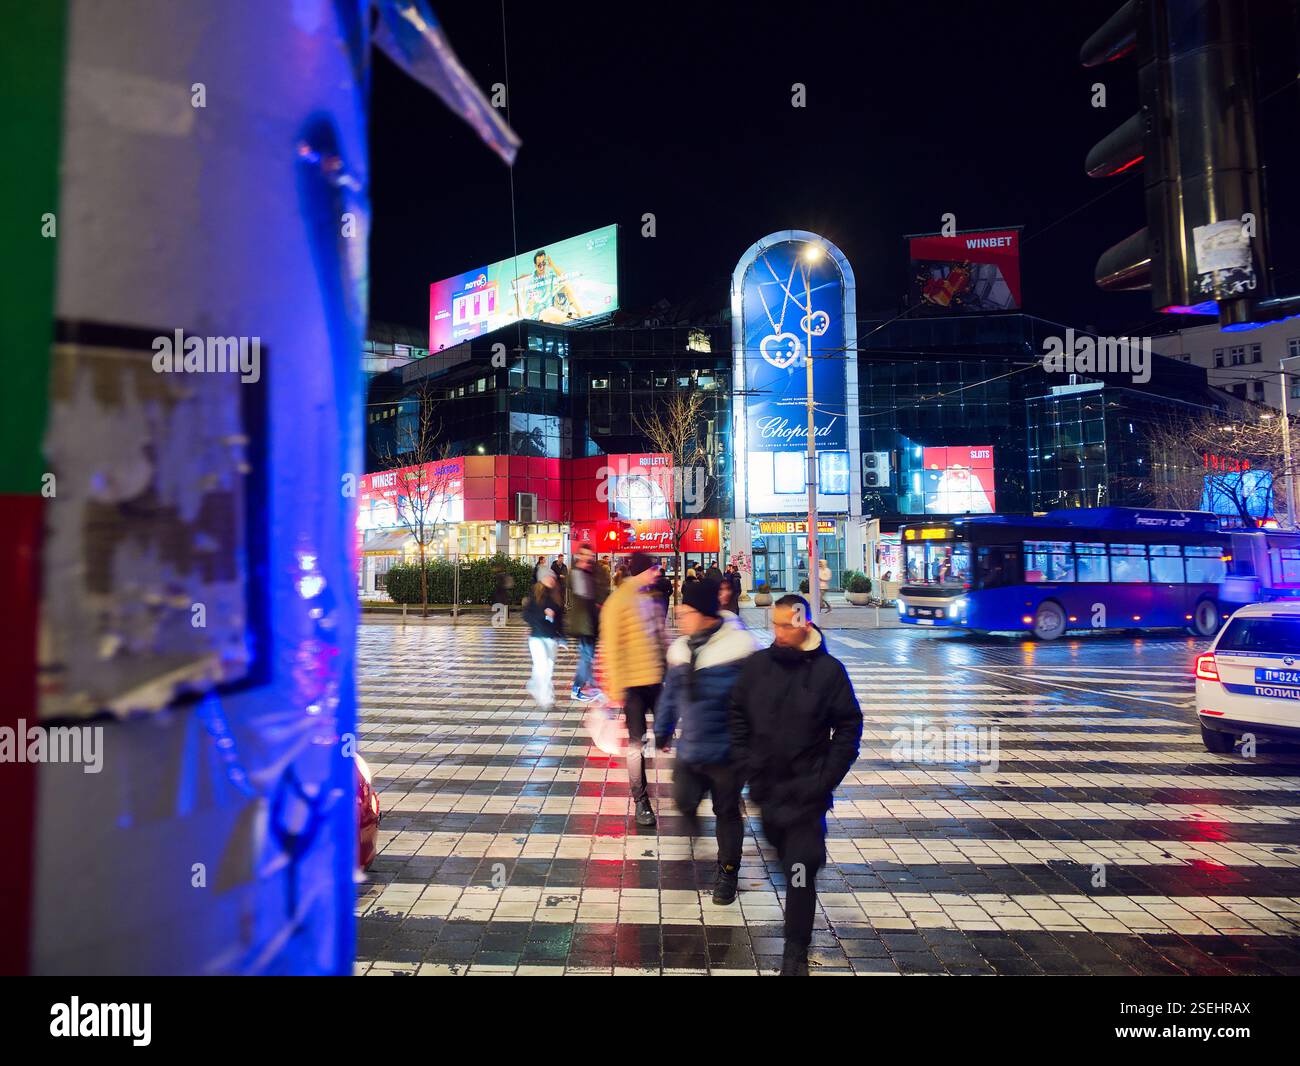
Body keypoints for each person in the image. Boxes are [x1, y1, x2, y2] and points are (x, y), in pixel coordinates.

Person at [729, 594, 863, 976]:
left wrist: (825, 778)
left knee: (801, 869)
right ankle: (794, 894)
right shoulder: (757, 667)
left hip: (808, 796)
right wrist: (746, 762)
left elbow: (850, 726)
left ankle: (795, 953)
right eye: (774, 624)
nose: (779, 632)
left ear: (804, 624)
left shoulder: (829, 672)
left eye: (786, 625)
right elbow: (736, 711)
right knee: (787, 860)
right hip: (768, 793)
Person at [654, 579, 757, 905]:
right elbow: (670, 694)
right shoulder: (681, 650)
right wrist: (662, 730)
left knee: (727, 812)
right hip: (692, 748)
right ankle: (694, 825)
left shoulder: (739, 650)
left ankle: (727, 872)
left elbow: (756, 702)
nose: (680, 618)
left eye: (686, 612)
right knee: (683, 798)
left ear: (705, 613)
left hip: (728, 754)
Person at [597, 551, 667, 827]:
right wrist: (615, 689)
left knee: (665, 732)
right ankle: (641, 801)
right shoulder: (618, 602)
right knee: (636, 743)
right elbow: (611, 647)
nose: (658, 573)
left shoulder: (650, 597)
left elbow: (659, 638)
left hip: (656, 681)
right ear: (643, 571)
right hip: (632, 686)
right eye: (654, 569)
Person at [567, 542, 608, 701]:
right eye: (584, 555)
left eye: (590, 556)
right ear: (578, 555)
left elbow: (600, 592)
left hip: (592, 623)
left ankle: (593, 686)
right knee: (586, 657)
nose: (588, 559)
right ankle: (577, 689)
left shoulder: (590, 572)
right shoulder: (576, 573)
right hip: (583, 624)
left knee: (589, 657)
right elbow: (584, 594)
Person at [522, 572, 565, 709]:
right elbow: (527, 615)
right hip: (537, 637)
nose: (551, 579)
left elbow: (559, 618)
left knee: (548, 669)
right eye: (548, 576)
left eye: (553, 577)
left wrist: (562, 636)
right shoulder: (535, 594)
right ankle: (546, 699)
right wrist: (543, 614)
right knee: (542, 667)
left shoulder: (557, 595)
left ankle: (534, 685)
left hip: (551, 637)